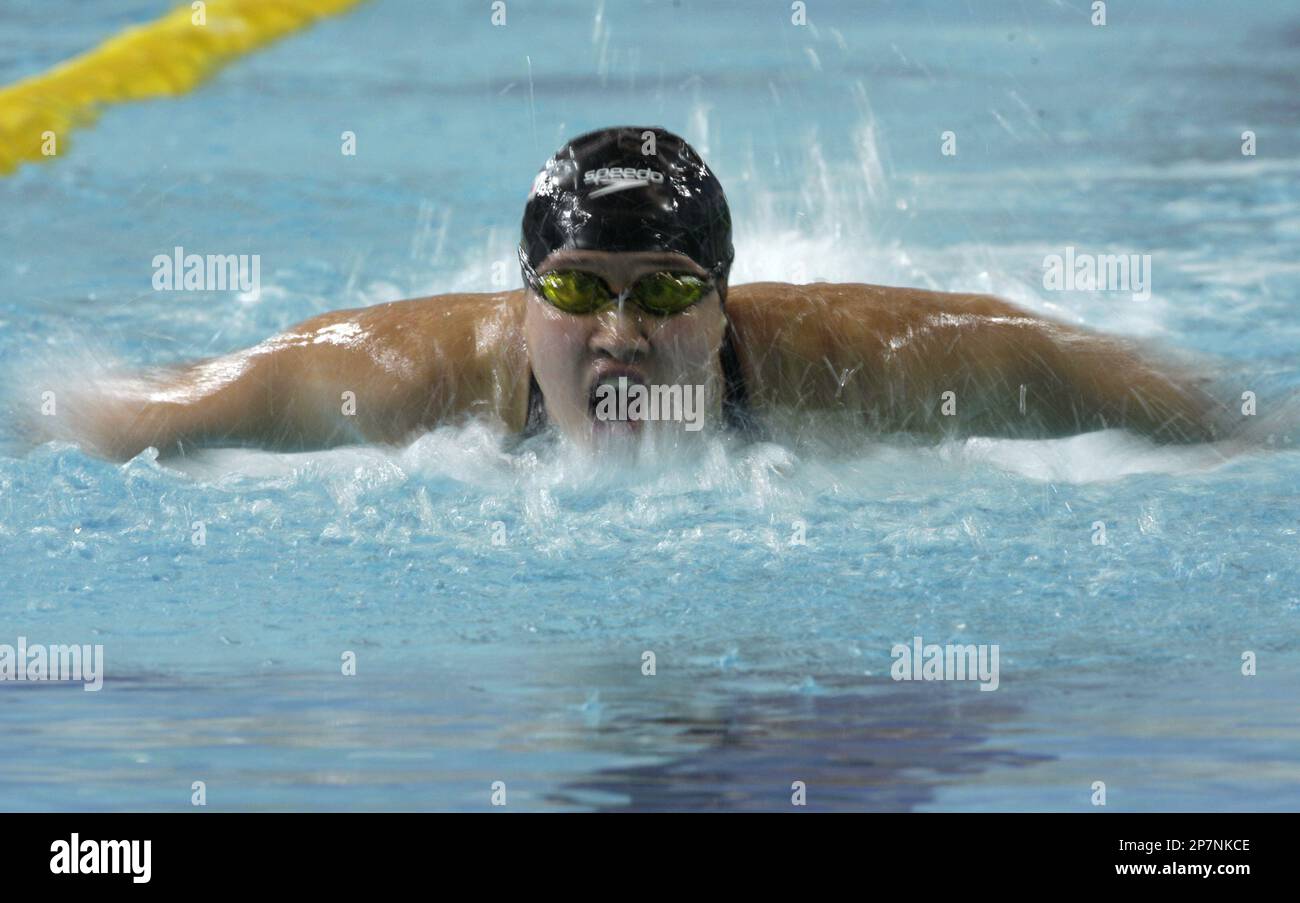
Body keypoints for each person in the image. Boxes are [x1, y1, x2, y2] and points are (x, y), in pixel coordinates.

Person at [48, 126, 1227, 460]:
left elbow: (1154, 396)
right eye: (575, 290)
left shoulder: (860, 360)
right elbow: (116, 411)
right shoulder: (399, 379)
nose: (617, 336)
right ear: (522, 308)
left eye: (663, 291)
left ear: (723, 306)